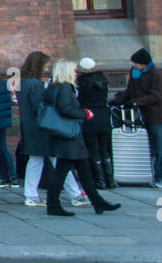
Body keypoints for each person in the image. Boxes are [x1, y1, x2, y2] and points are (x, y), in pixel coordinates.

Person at [44, 60, 121, 216]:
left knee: (83, 171)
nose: (76, 73)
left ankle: (98, 203)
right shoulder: (65, 88)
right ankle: (53, 205)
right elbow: (65, 108)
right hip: (69, 135)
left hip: (66, 134)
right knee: (61, 171)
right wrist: (84, 113)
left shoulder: (53, 87)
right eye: (73, 70)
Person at [17, 50, 88, 208]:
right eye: (46, 65)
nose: (47, 69)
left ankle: (31, 195)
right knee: (59, 160)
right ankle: (75, 194)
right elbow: (40, 107)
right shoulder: (36, 84)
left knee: (36, 161)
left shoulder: (22, 82)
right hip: (42, 128)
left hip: (30, 127)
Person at [111, 48, 162, 188]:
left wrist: (137, 101)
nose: (134, 65)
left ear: (144, 63)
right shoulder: (135, 73)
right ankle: (145, 173)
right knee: (143, 146)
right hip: (140, 115)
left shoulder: (158, 76)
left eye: (136, 63)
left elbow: (156, 96)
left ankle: (161, 176)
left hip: (156, 116)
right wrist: (118, 100)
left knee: (160, 147)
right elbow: (130, 90)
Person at [76, 57, 113, 188]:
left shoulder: (82, 82)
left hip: (90, 118)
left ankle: (99, 180)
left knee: (93, 149)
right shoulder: (103, 80)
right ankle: (110, 179)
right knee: (105, 149)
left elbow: (79, 101)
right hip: (103, 116)